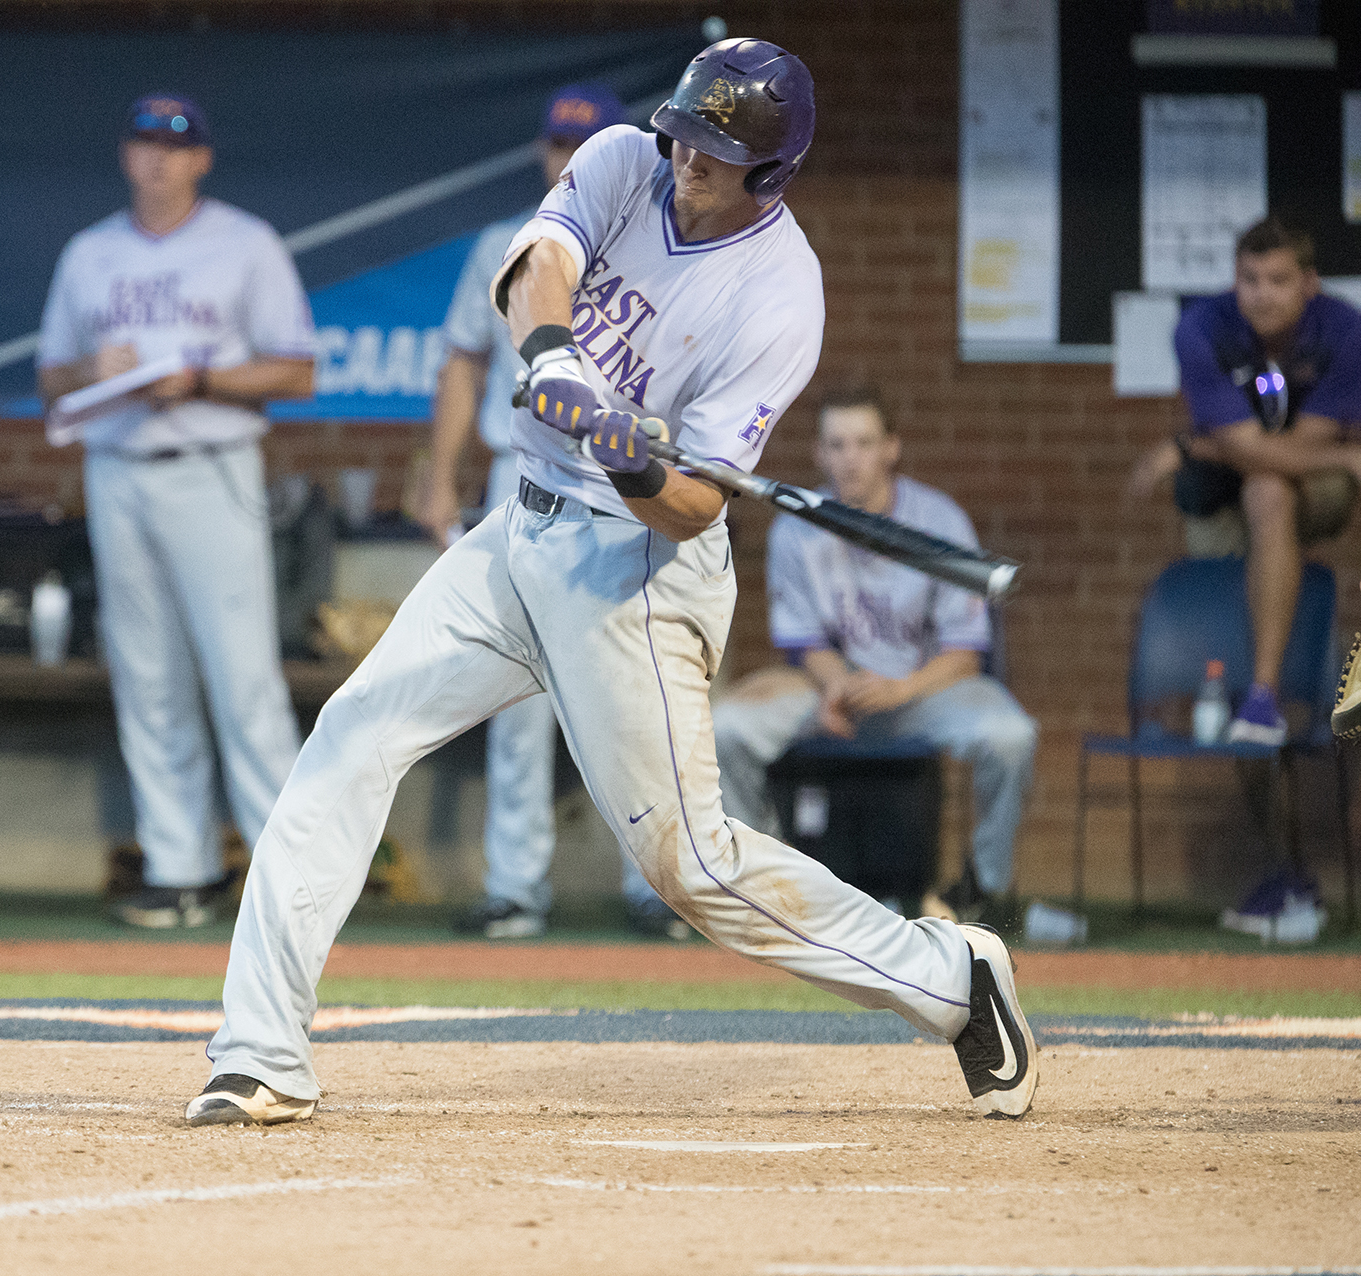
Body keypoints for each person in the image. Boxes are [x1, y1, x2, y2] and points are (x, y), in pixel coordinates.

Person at [186, 39, 1037, 1129]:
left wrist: (637, 457)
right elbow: (540, 267)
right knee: (352, 735)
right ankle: (261, 1053)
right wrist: (556, 363)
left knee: (692, 867)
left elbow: (694, 507)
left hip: (633, 573)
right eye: (687, 135)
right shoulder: (625, 158)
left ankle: (953, 981)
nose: (688, 161)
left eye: (718, 155)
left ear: (771, 174)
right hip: (517, 534)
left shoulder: (783, 299)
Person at [37, 93, 315, 928]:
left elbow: (297, 370)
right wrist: (97, 368)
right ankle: (179, 867)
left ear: (201, 159)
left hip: (210, 464)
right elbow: (51, 377)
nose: (158, 158)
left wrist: (196, 379)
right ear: (127, 156)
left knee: (242, 677)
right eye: (144, 144)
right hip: (118, 466)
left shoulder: (246, 243)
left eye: (175, 146)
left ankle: (287, 880)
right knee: (147, 675)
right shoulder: (91, 253)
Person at [422, 83, 687, 941]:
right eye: (556, 145)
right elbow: (463, 363)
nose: (567, 161)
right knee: (516, 695)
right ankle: (516, 885)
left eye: (585, 144)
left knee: (637, 686)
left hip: (624, 485)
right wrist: (439, 474)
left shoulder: (656, 251)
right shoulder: (507, 244)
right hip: (523, 477)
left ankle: (658, 884)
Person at [711, 385, 1038, 923]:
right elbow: (803, 643)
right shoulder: (797, 526)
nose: (850, 457)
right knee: (726, 727)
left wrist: (899, 689)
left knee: (1011, 736)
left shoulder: (939, 519)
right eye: (836, 444)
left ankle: (981, 887)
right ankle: (764, 882)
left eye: (864, 443)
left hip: (923, 689)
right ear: (819, 453)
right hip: (831, 693)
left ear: (891, 448)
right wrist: (839, 684)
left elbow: (965, 652)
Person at [1131, 217, 1361, 746]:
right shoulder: (1200, 328)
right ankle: (1254, 708)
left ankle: (1263, 698)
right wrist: (1347, 453)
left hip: (1316, 488)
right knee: (1258, 492)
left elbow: (1299, 444)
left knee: (1267, 488)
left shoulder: (1345, 329)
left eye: (1278, 280)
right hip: (1227, 493)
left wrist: (1190, 446)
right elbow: (1250, 448)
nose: (1262, 295)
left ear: (1310, 283)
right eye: (1249, 280)